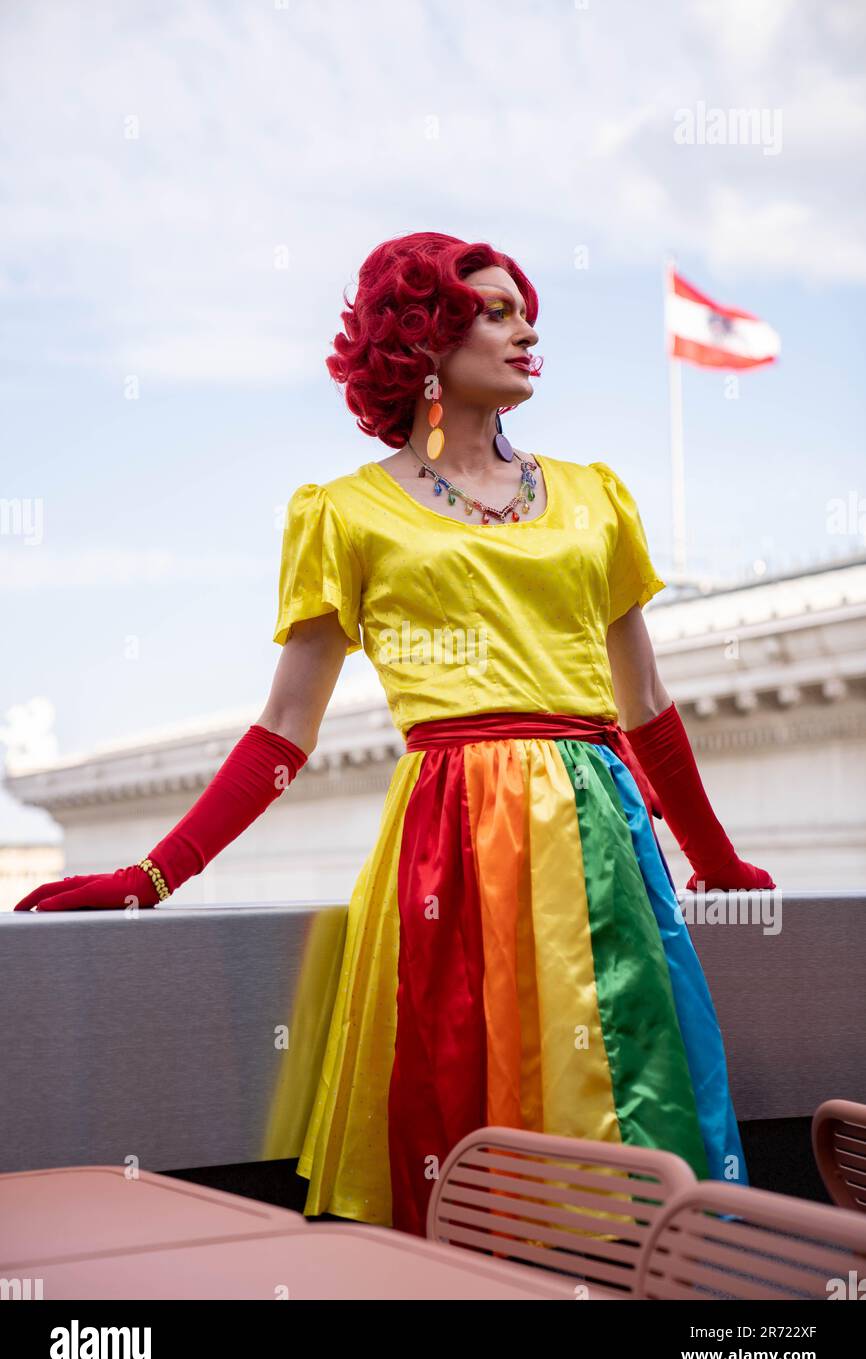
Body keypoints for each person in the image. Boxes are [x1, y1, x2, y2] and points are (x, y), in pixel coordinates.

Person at [16, 231, 775, 1239]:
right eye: (493, 311)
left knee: (627, 1093)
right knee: (459, 1104)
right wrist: (152, 876)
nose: (525, 327)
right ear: (420, 337)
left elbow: (643, 707)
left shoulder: (595, 495)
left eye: (523, 307)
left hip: (600, 847)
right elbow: (285, 731)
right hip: (447, 848)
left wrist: (715, 861)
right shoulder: (347, 514)